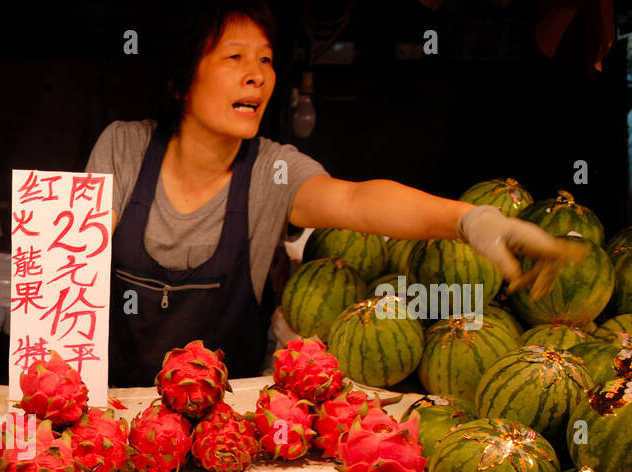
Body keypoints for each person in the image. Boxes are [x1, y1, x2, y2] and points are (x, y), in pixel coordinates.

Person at [89, 1, 577, 386]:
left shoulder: (272, 171)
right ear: (181, 80)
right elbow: (71, 265)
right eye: (234, 57)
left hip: (226, 434)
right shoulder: (124, 147)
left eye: (265, 59)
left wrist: (470, 220)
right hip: (117, 412)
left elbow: (357, 201)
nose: (257, 74)